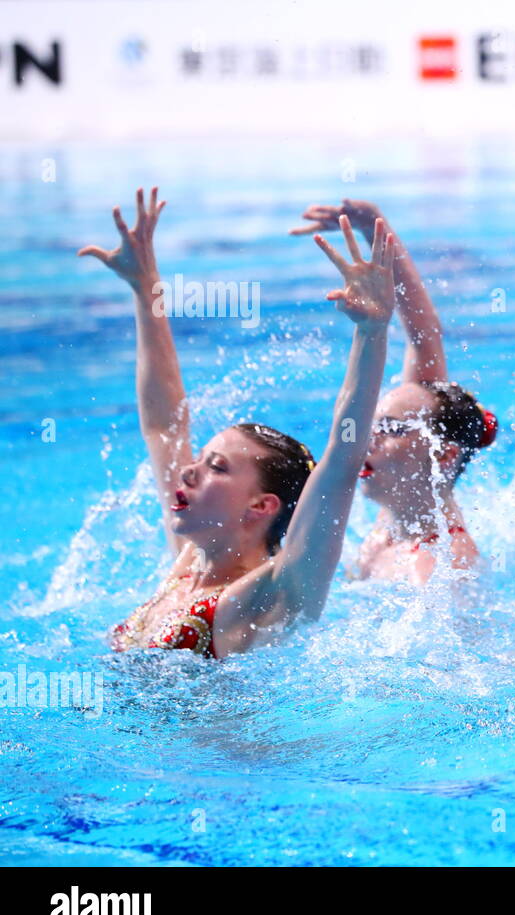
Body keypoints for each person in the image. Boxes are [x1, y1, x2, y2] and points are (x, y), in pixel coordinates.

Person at [80, 188, 396, 657]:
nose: (190, 470)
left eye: (217, 467)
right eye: (204, 461)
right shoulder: (188, 562)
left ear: (260, 506)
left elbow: (341, 462)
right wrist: (146, 290)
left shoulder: (270, 595)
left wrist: (372, 332)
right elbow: (164, 426)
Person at [291, 199, 496, 583]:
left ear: (443, 455)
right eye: (376, 425)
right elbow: (424, 336)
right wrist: (375, 230)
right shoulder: (402, 510)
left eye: (393, 429)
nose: (370, 438)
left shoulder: (435, 570)